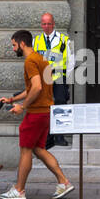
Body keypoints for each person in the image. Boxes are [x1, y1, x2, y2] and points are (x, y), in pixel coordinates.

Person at [0, 29, 74, 199]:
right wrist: (12, 99)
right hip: (46, 111)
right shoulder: (42, 59)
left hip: (36, 113)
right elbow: (32, 88)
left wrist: (22, 107)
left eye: (14, 45)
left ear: (22, 43)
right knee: (38, 149)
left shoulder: (30, 61)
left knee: (25, 150)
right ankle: (64, 182)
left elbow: (37, 87)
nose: (13, 49)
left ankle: (19, 190)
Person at [33, 12, 71, 145]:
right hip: (43, 79)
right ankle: (47, 137)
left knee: (60, 104)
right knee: (44, 107)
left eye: (49, 23)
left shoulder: (64, 40)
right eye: (44, 23)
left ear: (53, 24)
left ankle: (59, 137)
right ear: (41, 25)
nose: (47, 26)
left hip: (59, 77)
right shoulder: (36, 41)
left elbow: (70, 61)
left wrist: (66, 78)